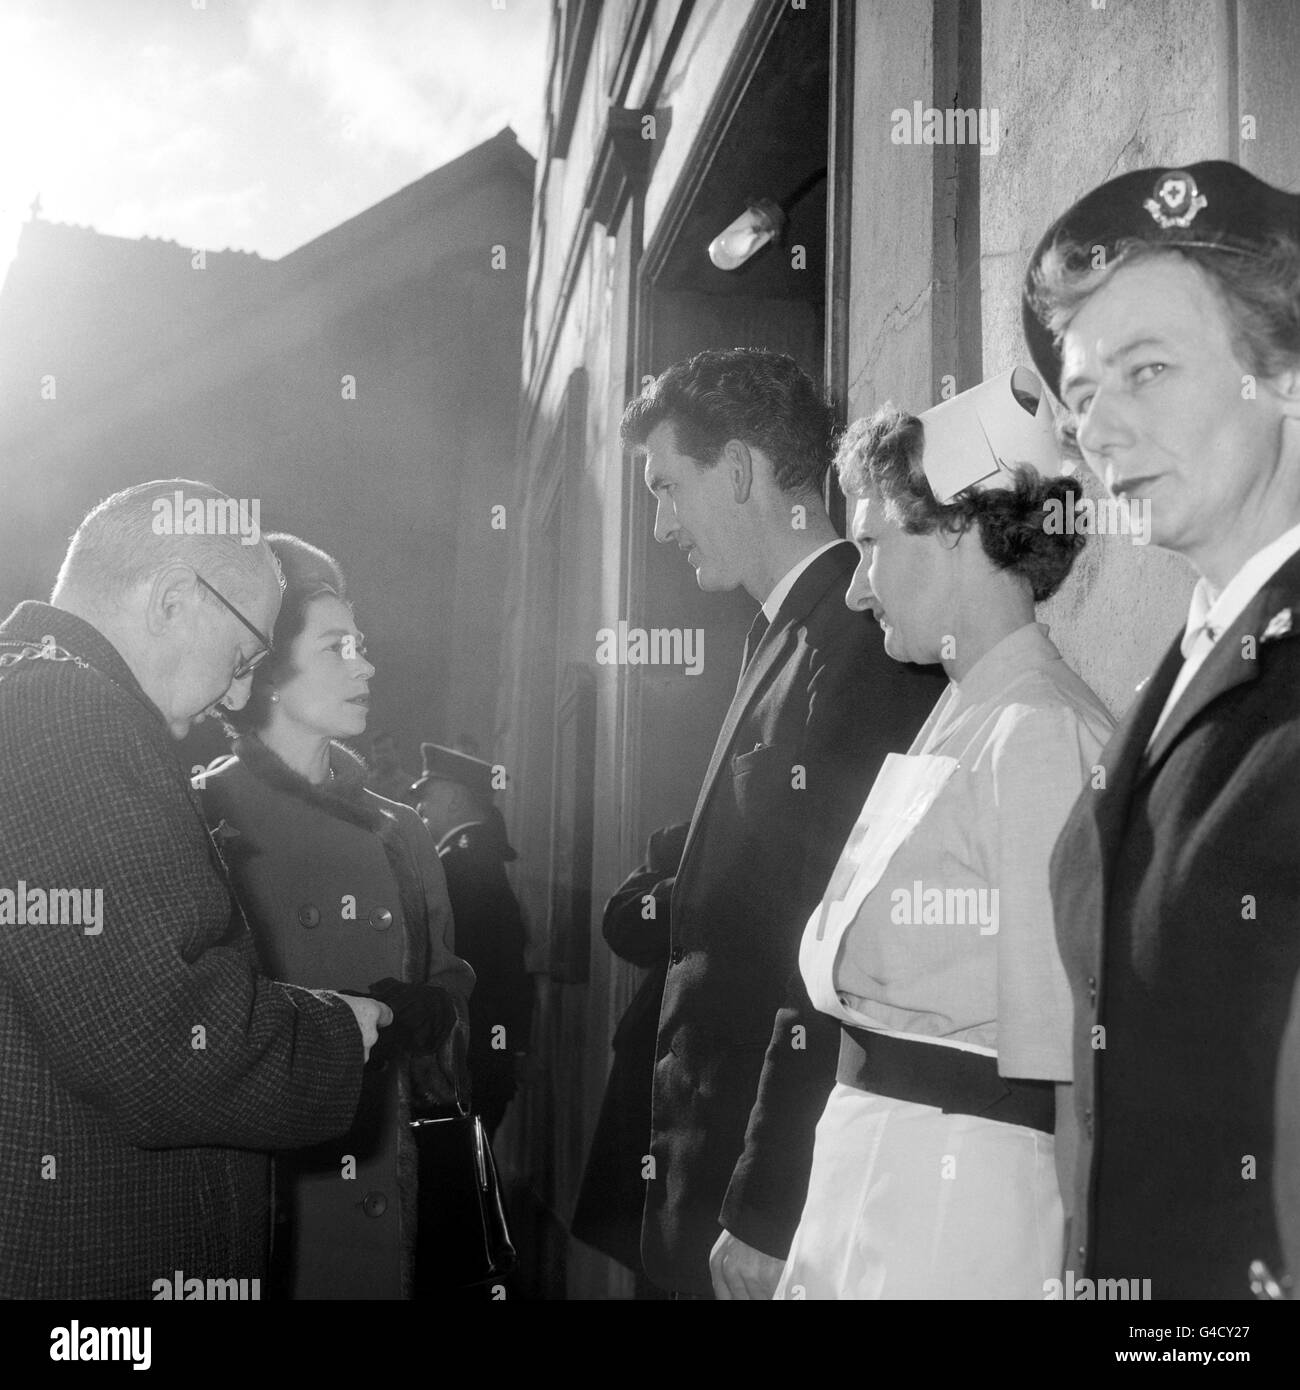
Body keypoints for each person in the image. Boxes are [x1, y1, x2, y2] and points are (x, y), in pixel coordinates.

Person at [769, 372, 1114, 1300]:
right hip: (880, 1178)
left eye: (873, 544)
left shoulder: (1039, 730)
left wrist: (1084, 1273)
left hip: (960, 1205)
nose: (854, 591)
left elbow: (1079, 1064)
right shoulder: (968, 705)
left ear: (961, 531)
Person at [0, 480, 387, 1300]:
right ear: (176, 600)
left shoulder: (32, 692)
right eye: (243, 658)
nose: (239, 695)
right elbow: (162, 1044)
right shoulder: (69, 714)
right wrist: (338, 1033)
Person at [1024, 159, 1300, 1299]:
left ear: (1281, 378)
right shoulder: (1185, 668)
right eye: (1082, 395)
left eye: (1146, 370)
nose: (1101, 426)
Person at [619, 348, 943, 1298]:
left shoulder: (864, 644)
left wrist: (769, 1203)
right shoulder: (781, 632)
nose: (660, 523)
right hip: (701, 1150)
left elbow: (838, 953)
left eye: (667, 486)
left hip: (755, 1191)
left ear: (741, 472)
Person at [198, 535, 473, 1299]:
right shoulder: (200, 815)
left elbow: (452, 976)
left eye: (363, 645)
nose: (366, 665)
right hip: (264, 1203)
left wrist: (436, 1011)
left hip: (391, 1187)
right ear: (268, 671)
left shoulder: (402, 829)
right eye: (336, 647)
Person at [570, 821, 688, 1296]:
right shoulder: (686, 839)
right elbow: (623, 924)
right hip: (662, 1069)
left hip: (752, 1071)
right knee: (653, 1246)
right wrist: (690, 879)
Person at [411, 742, 532, 1139]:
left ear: (454, 801)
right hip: (480, 1056)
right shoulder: (475, 858)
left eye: (427, 798)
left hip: (462, 1060)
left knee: (449, 1184)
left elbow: (455, 970)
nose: (421, 810)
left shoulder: (459, 867)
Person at [366, 730, 415, 804]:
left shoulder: (410, 786)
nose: (381, 756)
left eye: (385, 751)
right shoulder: (365, 784)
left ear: (398, 752)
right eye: (377, 752)